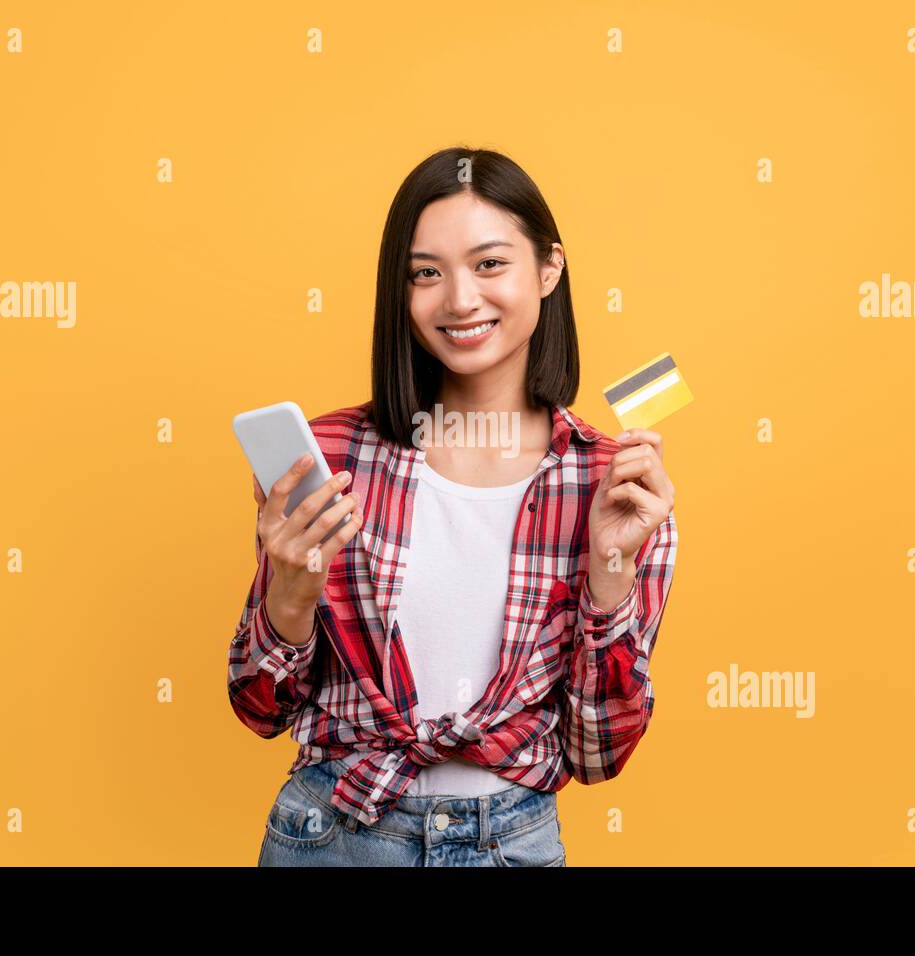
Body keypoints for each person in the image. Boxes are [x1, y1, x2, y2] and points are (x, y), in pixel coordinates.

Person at [228, 146, 678, 866]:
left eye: (490, 264)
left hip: (512, 844)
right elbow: (260, 709)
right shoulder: (331, 456)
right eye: (427, 273)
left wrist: (610, 574)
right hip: (336, 835)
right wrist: (289, 592)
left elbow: (597, 753)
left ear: (549, 269)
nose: (460, 299)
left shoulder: (614, 486)